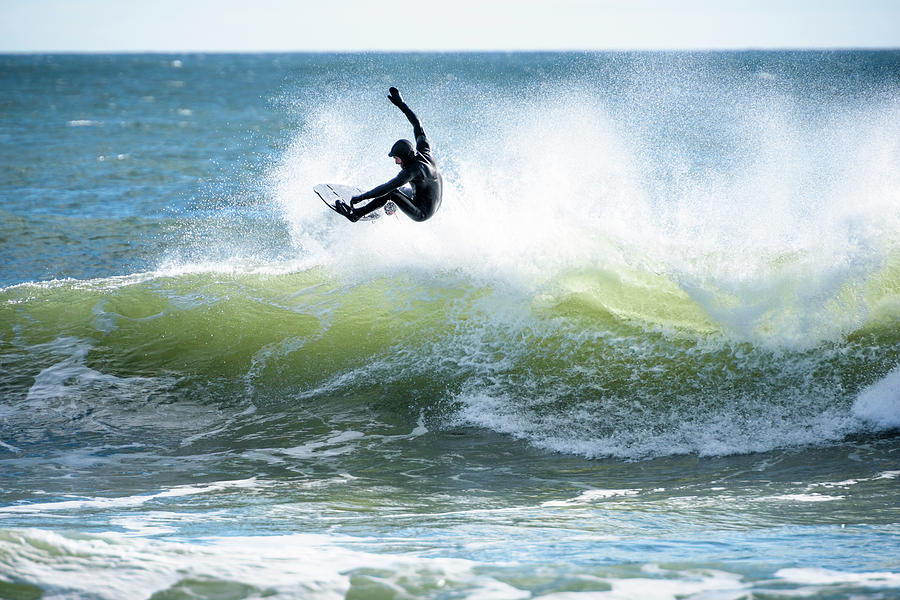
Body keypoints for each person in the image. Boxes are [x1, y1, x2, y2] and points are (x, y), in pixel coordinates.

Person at [333, 87, 442, 223]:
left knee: (391, 192)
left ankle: (356, 214)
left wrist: (361, 197)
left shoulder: (411, 171)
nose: (396, 163)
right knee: (399, 189)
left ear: (405, 157)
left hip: (422, 212)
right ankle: (391, 207)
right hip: (433, 203)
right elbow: (417, 125)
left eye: (397, 159)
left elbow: (387, 187)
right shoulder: (425, 151)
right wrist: (402, 104)